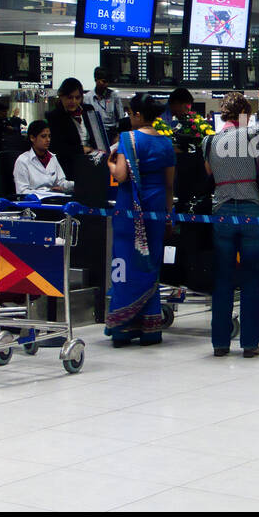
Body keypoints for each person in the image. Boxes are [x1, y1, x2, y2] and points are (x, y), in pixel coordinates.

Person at [202, 93, 259, 357]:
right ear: (245, 114)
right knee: (251, 278)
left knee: (223, 279)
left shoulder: (208, 141)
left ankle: (220, 343)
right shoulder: (252, 133)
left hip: (221, 211)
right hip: (251, 210)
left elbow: (210, 174)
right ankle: (250, 344)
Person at [105, 94, 176, 347]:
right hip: (156, 209)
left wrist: (110, 165)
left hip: (129, 210)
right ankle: (150, 329)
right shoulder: (166, 143)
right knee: (149, 264)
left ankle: (123, 327)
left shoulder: (128, 139)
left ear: (136, 114)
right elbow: (169, 185)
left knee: (124, 264)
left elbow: (122, 176)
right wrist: (168, 217)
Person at [46, 77, 110, 173]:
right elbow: (56, 147)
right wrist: (81, 149)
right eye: (70, 97)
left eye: (77, 97)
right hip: (68, 166)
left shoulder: (89, 110)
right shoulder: (54, 117)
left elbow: (98, 136)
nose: (74, 101)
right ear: (61, 97)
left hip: (93, 162)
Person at [13, 119, 74, 199]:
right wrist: (48, 191)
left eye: (49, 136)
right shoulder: (22, 161)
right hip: (34, 205)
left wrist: (78, 185)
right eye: (43, 136)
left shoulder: (52, 158)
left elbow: (61, 182)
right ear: (32, 138)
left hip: (54, 201)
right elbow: (22, 192)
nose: (48, 140)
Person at [88, 66, 130, 144]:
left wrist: (118, 136)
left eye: (107, 82)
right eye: (103, 81)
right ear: (96, 79)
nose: (106, 84)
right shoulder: (87, 98)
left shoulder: (114, 96)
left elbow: (121, 119)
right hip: (94, 135)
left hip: (112, 135)